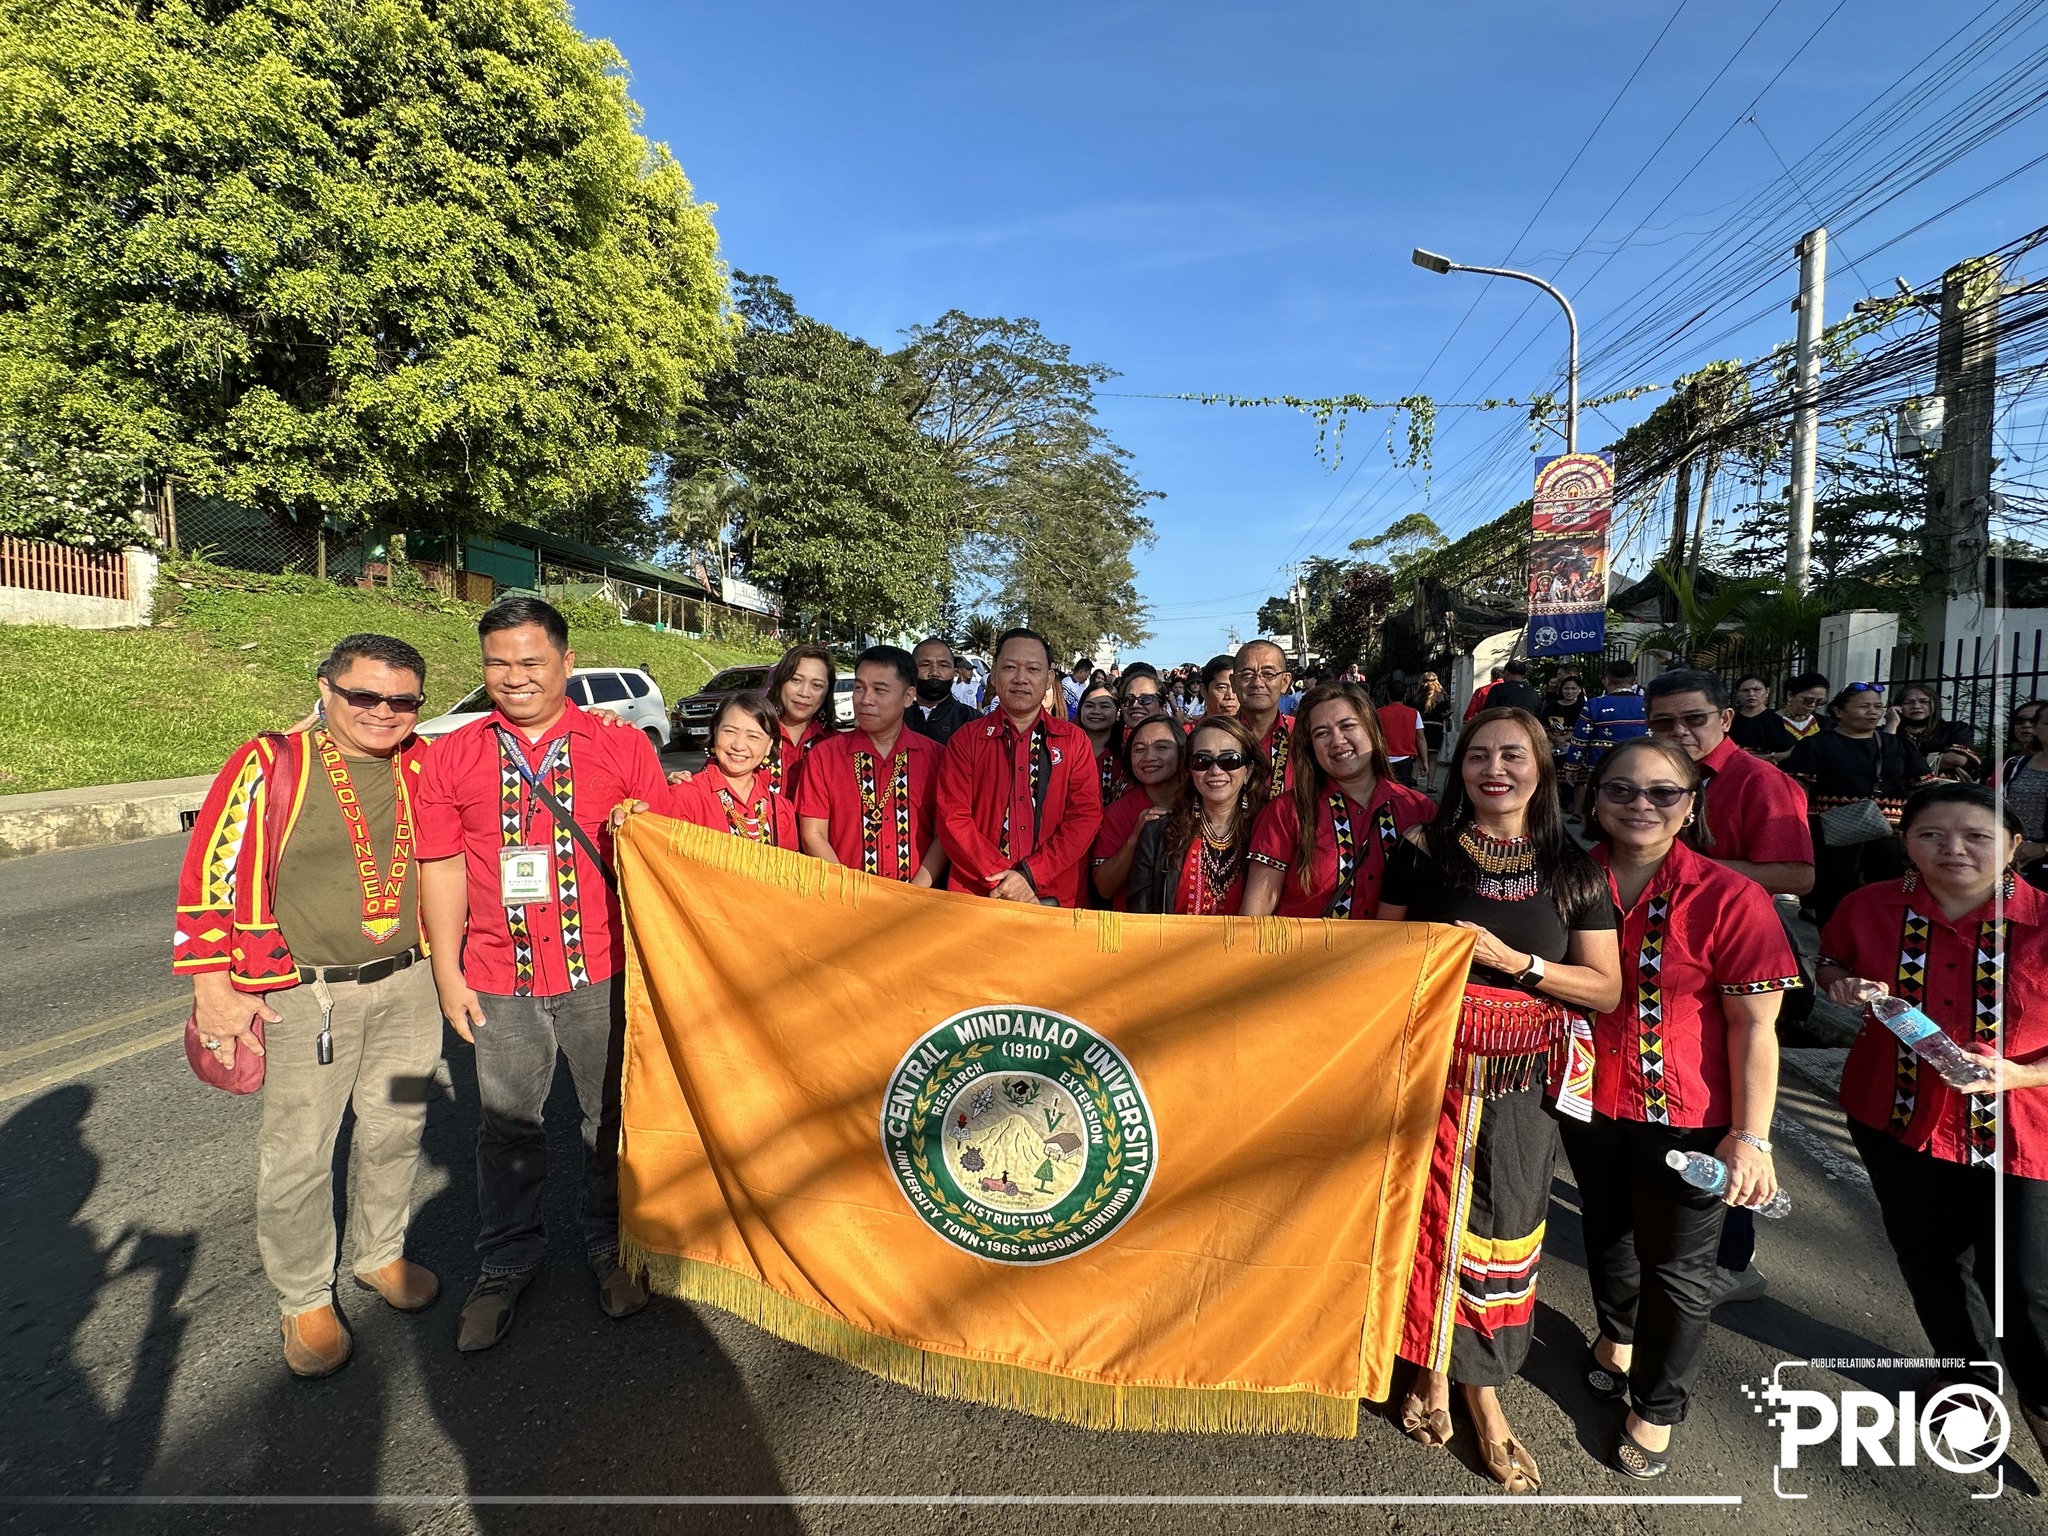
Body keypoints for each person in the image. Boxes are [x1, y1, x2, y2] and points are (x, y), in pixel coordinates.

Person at [175, 634, 442, 1378]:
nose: (383, 712)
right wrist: (213, 988)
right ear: (326, 689)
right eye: (363, 695)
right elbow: (209, 873)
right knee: (300, 1151)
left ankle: (380, 1254)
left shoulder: (422, 761)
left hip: (410, 991)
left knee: (399, 1121)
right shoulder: (269, 762)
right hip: (305, 1000)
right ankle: (303, 1297)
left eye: (401, 700)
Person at [1376, 708, 1623, 1492]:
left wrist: (1517, 964)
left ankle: (1481, 1391)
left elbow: (1605, 989)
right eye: (1478, 755)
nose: (1495, 769)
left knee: (1505, 1227)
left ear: (1541, 769)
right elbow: (1379, 960)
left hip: (1520, 1081)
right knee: (1423, 1219)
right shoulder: (1421, 854)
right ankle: (1427, 1370)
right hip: (1428, 1068)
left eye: (1513, 755)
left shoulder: (1575, 869)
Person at [416, 598, 669, 1351]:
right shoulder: (453, 755)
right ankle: (505, 1261)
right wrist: (447, 974)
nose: (515, 677)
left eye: (531, 662)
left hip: (603, 971)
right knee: (506, 1129)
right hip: (499, 976)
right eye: (499, 662)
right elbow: (441, 867)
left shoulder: (621, 747)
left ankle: (611, 1245)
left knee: (608, 1124)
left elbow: (662, 862)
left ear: (565, 662)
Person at [1561, 737, 1795, 1479]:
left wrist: (1750, 1137)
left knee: (1681, 1266)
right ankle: (1618, 1337)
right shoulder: (1564, 881)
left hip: (1688, 1114)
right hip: (1583, 1100)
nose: (1641, 805)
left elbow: (1755, 1025)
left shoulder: (1730, 896)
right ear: (1593, 798)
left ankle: (1656, 1407)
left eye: (1664, 793)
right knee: (1609, 1232)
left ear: (1690, 806)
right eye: (1622, 790)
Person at [1818, 782, 2048, 1466]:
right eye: (1932, 835)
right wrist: (1838, 982)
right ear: (1906, 842)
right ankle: (1966, 1380)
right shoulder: (1869, 907)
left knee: (2026, 1288)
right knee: (1929, 1261)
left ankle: (2041, 1405)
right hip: (1896, 1117)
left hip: (2020, 1137)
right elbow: (1832, 958)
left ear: (2013, 847)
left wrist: (2022, 1075)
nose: (1954, 850)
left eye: (1977, 836)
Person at [1644, 670, 1817, 1305]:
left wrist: (1694, 867)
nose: (1679, 732)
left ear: (1726, 719)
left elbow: (1799, 873)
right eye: (1664, 722)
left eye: (1693, 719)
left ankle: (1732, 1257)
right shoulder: (1652, 772)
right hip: (1667, 958)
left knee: (1730, 1098)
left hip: (1737, 954)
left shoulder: (1758, 782)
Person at [936, 627, 1104, 907]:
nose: (1021, 679)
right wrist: (1004, 881)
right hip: (979, 895)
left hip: (1053, 896)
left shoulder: (1074, 741)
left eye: (1033, 669)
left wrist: (1030, 875)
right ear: (994, 673)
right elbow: (953, 818)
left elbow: (1085, 817)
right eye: (1010, 667)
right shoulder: (966, 740)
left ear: (1049, 678)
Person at [1243, 684, 1434, 921]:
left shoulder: (1420, 810)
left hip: (1393, 957)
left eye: (1348, 726)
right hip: (1305, 957)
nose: (1337, 740)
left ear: (1372, 729)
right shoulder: (1285, 813)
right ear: (1310, 747)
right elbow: (1253, 917)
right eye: (1321, 733)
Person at [1785, 683, 1934, 926]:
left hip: (1889, 835)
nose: (1873, 712)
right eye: (1864, 706)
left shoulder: (1897, 745)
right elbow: (1796, 789)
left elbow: (1922, 787)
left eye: (1877, 707)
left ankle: (1881, 945)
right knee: (1834, 892)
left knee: (1888, 889)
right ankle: (1833, 947)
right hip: (1832, 835)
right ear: (1839, 712)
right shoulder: (1817, 745)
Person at [797, 647, 945, 882]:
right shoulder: (825, 756)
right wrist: (849, 888)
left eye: (879, 690)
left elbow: (943, 835)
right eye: (859, 688)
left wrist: (916, 893)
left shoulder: (936, 757)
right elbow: (813, 833)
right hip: (845, 899)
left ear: (908, 696)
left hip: (916, 904)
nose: (865, 700)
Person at [1128, 716, 1264, 914]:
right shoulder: (1159, 833)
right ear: (1190, 770)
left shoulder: (1267, 831)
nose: (1215, 770)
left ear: (1248, 771)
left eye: (1229, 760)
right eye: (1202, 760)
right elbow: (1140, 918)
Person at [667, 693, 799, 849]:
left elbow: (789, 870)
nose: (739, 745)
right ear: (715, 731)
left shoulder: (781, 808)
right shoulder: (686, 796)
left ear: (769, 745)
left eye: (753, 736)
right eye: (730, 731)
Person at [1091, 716, 1186, 909]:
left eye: (1161, 747)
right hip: (1133, 928)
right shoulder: (1117, 813)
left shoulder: (1202, 803)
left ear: (1182, 751)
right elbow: (1104, 887)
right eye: (1139, 749)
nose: (1149, 757)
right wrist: (1134, 838)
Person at [1563, 659, 1648, 805]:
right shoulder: (1648, 705)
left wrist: (1572, 766)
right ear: (1634, 680)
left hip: (1602, 767)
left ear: (1607, 680)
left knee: (1603, 804)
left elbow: (1580, 739)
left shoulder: (1595, 705)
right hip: (1643, 765)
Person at [763, 643, 839, 800]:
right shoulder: (753, 734)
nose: (804, 693)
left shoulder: (836, 746)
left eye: (816, 685)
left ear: (827, 692)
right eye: (796, 680)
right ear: (780, 682)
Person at [1232, 640, 1295, 799]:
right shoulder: (1219, 735)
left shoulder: (1302, 732)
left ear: (1285, 682)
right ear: (1233, 683)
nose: (1257, 683)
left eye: (1268, 674)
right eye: (1247, 674)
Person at [1993, 719, 2048, 890]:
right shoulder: (2013, 765)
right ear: (2036, 728)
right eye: (2047, 721)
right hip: (2010, 855)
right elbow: (1992, 808)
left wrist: (2043, 847)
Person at [1892, 682, 1979, 781]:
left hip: (1944, 791)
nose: (1916, 706)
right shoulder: (1887, 731)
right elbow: (1881, 758)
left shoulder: (1956, 729)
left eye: (1924, 701)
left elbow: (1956, 759)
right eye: (1908, 702)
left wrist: (1901, 764)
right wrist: (1892, 723)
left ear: (1935, 704)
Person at [906, 637, 979, 747]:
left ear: (954, 672)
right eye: (925, 665)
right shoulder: (893, 719)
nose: (934, 672)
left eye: (943, 665)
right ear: (912, 670)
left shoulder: (973, 721)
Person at [1074, 680, 1126, 805]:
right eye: (1089, 705)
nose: (1096, 711)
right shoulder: (1068, 751)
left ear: (1118, 713)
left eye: (1104, 706)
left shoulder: (1127, 755)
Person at [1543, 674, 1587, 808]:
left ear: (1579, 690)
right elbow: (1543, 725)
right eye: (1567, 688)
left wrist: (1566, 737)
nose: (1570, 692)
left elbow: (1585, 727)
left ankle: (1576, 810)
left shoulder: (1584, 707)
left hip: (1575, 748)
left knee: (1578, 780)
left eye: (1574, 689)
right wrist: (1554, 738)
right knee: (1553, 779)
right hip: (1553, 747)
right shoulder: (1551, 706)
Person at [1727, 675, 1795, 758]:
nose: (1751, 694)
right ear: (1737, 694)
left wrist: (1774, 757)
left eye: (1757, 689)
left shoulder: (1782, 717)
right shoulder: (1729, 720)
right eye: (1745, 690)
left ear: (1767, 692)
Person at [1377, 687, 1429, 788]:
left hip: (1384, 759)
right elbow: (1420, 738)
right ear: (1405, 696)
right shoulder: (1414, 713)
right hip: (1405, 760)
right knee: (1403, 794)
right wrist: (1424, 761)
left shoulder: (1378, 713)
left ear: (1388, 695)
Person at [1416, 671, 1452, 793]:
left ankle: (1414, 779)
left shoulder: (1417, 697)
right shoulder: (1442, 697)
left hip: (1420, 728)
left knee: (1418, 756)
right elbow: (1447, 714)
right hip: (1436, 728)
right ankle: (1430, 785)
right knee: (1432, 758)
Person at [1777, 671, 1831, 750]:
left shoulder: (1827, 724)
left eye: (1820, 702)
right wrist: (1780, 756)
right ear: (1790, 696)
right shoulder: (1764, 723)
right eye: (1808, 700)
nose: (1813, 705)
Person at [1198, 654, 1239, 724]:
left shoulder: (1255, 732)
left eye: (1236, 687)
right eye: (1222, 688)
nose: (1230, 696)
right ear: (1204, 691)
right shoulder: (1187, 733)